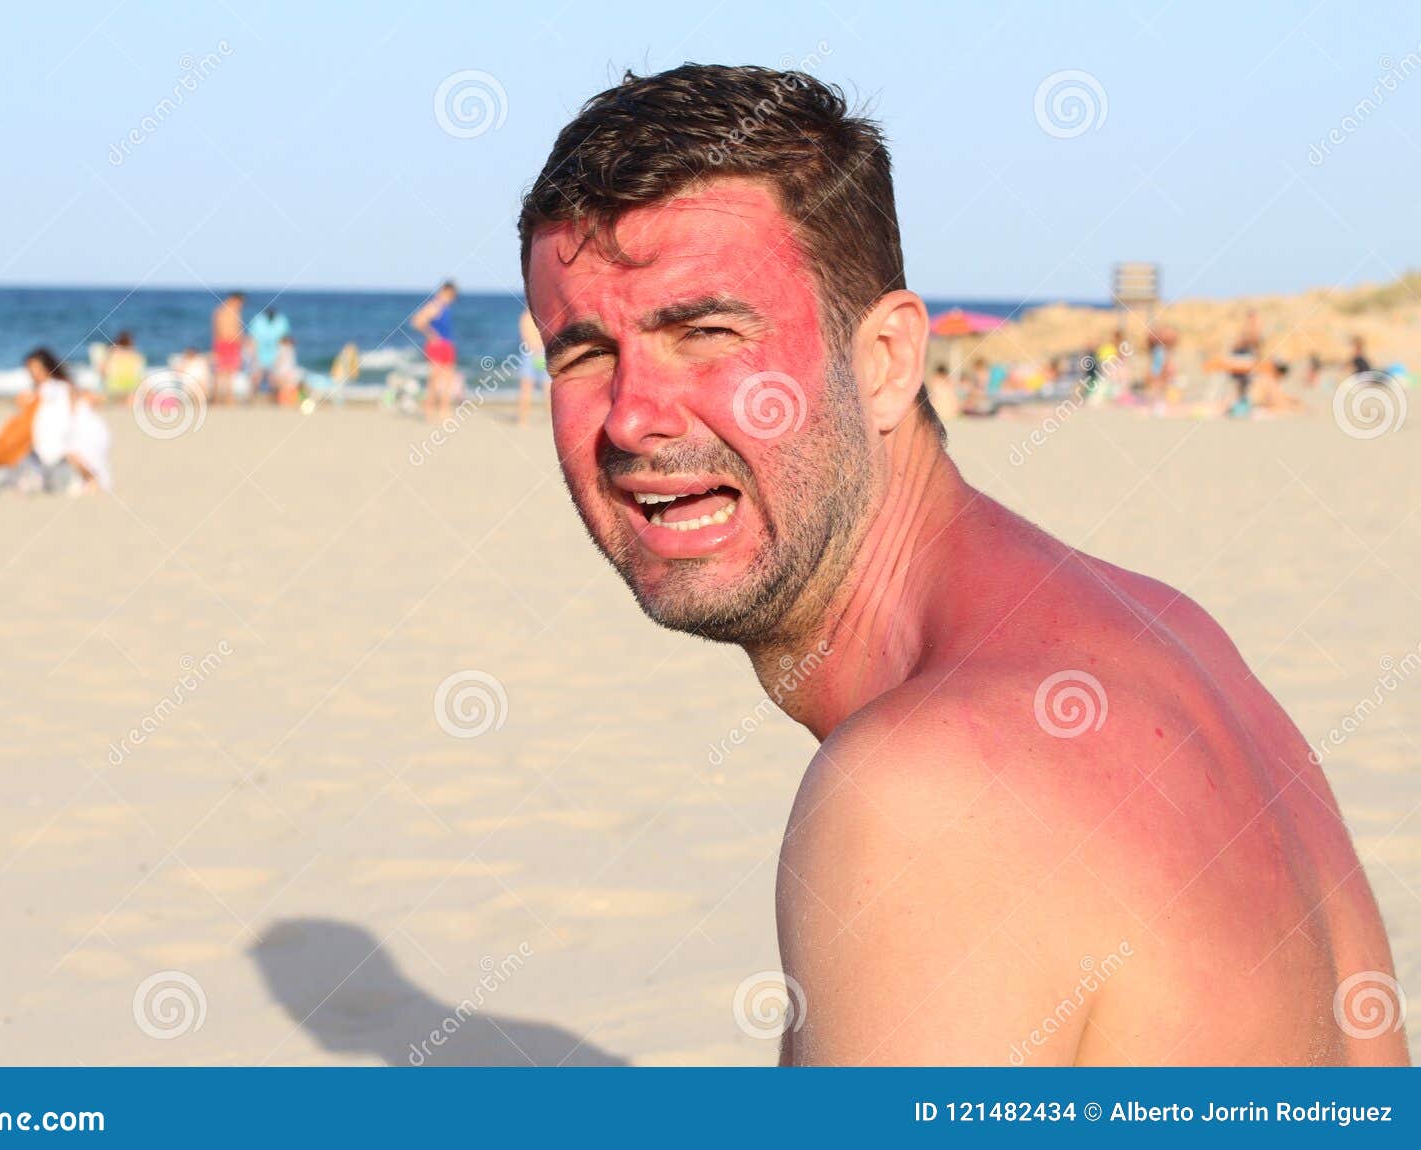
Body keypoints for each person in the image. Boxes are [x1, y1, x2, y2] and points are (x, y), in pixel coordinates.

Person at [519, 64, 1405, 1066]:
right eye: (583, 354)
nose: (634, 413)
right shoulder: (1173, 633)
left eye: (708, 332)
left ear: (888, 360)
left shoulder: (919, 795)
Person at [20, 347, 77, 493]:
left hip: (61, 451)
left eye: (35, 369)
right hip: (41, 452)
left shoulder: (58, 388)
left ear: (47, 367)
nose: (33, 374)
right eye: (30, 370)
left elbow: (73, 417)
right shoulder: (39, 391)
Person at [412, 281, 459, 422]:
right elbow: (417, 321)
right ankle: (429, 410)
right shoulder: (435, 305)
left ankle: (444, 409)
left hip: (446, 344)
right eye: (451, 295)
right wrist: (431, 334)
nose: (451, 299)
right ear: (445, 292)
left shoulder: (444, 306)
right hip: (437, 346)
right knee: (434, 379)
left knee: (448, 378)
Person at [65, 379, 112, 493]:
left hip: (90, 437)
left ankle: (92, 480)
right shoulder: (82, 411)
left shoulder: (80, 410)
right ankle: (93, 480)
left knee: (72, 453)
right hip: (93, 437)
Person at [517, 307, 550, 425]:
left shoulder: (526, 317)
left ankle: (523, 420)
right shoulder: (540, 316)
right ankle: (549, 418)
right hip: (538, 353)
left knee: (528, 387)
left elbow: (526, 338)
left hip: (531, 353)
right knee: (545, 388)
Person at [249, 305, 291, 395]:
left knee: (275, 378)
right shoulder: (258, 321)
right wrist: (254, 358)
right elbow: (253, 341)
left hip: (275, 357)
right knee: (256, 377)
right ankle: (255, 397)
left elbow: (284, 342)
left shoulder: (281, 321)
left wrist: (280, 359)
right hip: (259, 356)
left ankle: (273, 397)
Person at [212, 292, 245, 405]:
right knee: (227, 373)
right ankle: (228, 399)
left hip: (222, 343)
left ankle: (218, 399)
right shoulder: (233, 311)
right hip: (229, 343)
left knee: (221, 373)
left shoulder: (219, 310)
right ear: (236, 300)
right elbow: (236, 329)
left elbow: (216, 330)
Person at [101, 331, 146, 402]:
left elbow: (103, 373)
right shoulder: (137, 355)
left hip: (114, 389)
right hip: (132, 387)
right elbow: (141, 376)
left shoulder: (112, 354)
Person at [269, 335, 303, 406]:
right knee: (286, 387)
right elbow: (278, 363)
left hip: (287, 372)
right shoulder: (284, 349)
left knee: (289, 386)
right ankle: (288, 400)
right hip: (284, 373)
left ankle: (290, 400)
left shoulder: (286, 350)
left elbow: (278, 363)